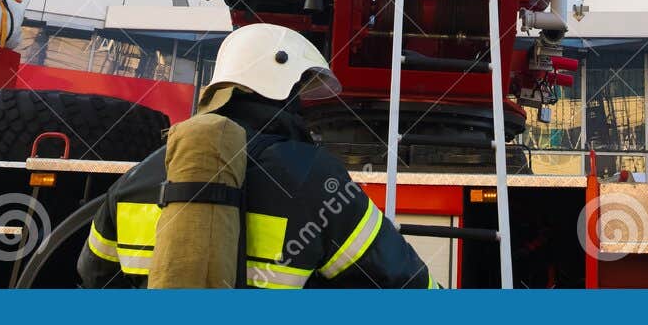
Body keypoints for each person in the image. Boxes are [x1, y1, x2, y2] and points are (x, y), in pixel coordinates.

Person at [78, 23, 435, 289]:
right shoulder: (315, 177)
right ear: (284, 84)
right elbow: (400, 281)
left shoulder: (141, 173)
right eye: (300, 90)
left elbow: (93, 275)